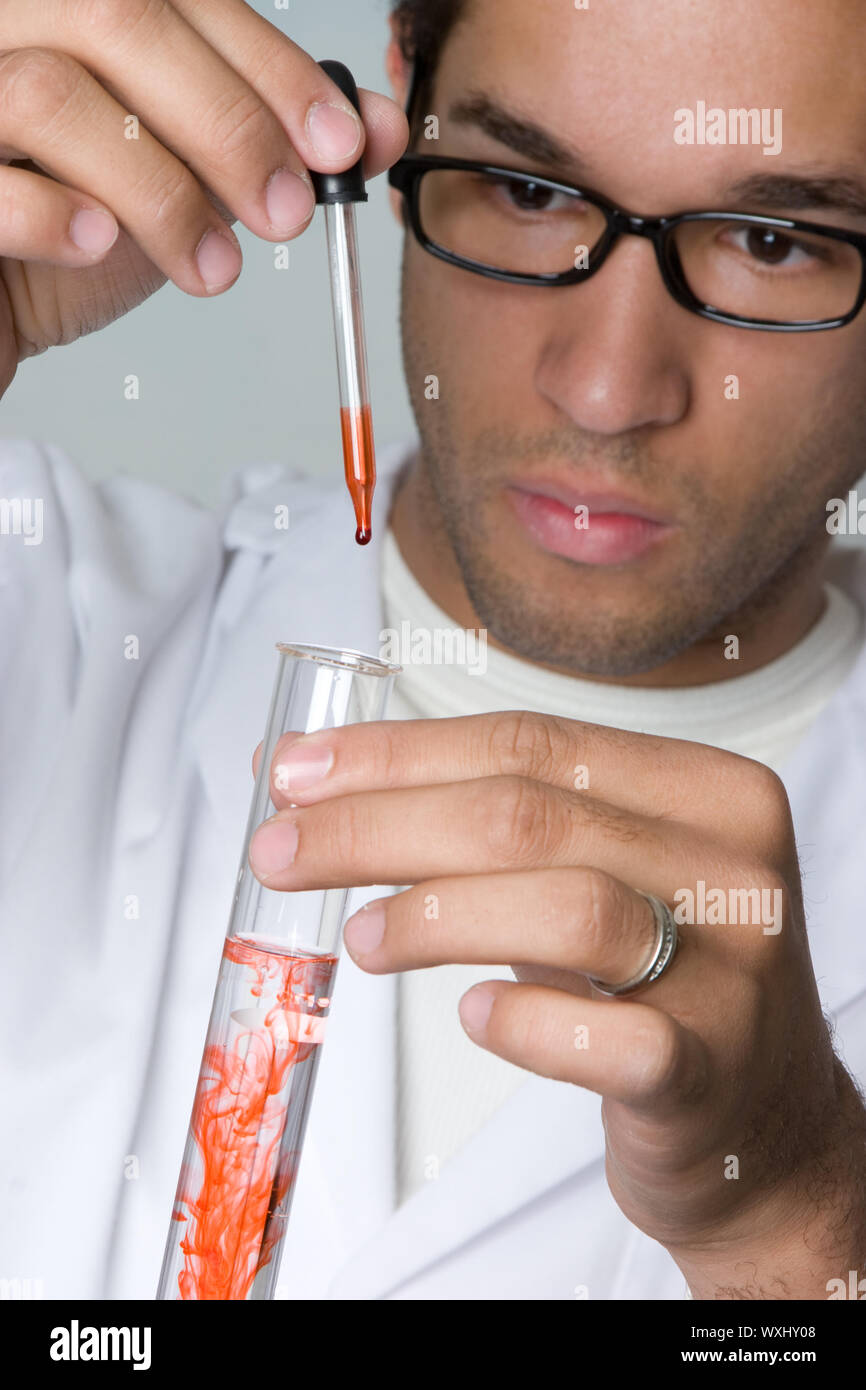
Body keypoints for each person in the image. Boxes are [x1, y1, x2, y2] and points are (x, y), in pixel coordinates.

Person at [1, 0, 865, 1302]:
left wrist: (800, 1225)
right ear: (398, 96)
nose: (605, 389)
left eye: (770, 239)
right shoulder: (50, 613)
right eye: (523, 187)